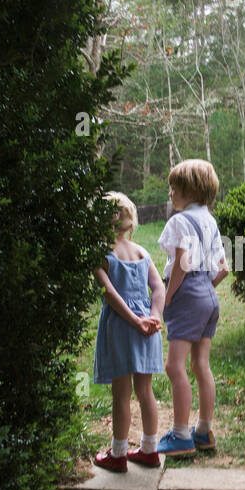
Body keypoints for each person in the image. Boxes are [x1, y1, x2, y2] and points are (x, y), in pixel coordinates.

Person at [156, 159, 229, 457]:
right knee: (201, 366)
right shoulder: (209, 220)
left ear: (188, 190)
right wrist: (204, 293)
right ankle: (204, 431)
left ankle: (180, 436)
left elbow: (183, 263)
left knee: (174, 366)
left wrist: (168, 297)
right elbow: (223, 268)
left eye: (174, 188)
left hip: (187, 295)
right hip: (208, 298)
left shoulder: (180, 220)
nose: (171, 194)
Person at [91, 192, 165, 472]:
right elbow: (158, 288)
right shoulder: (142, 253)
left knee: (121, 394)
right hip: (147, 327)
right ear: (131, 223)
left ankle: (118, 453)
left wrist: (135, 321)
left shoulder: (102, 257)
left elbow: (109, 294)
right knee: (145, 391)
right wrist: (153, 317)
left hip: (123, 326)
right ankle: (149, 450)